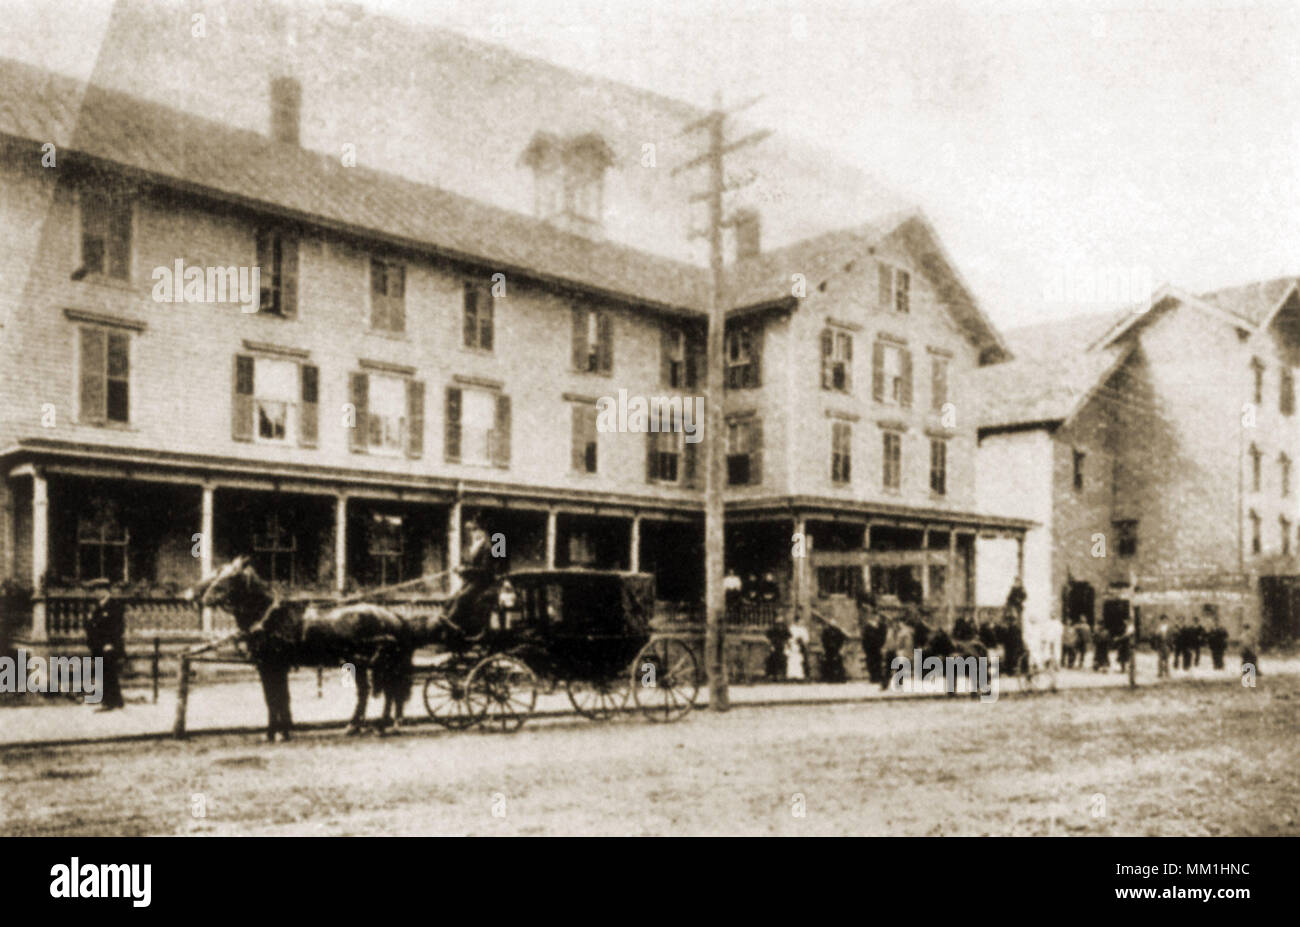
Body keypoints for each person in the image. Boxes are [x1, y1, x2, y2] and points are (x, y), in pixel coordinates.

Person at [444, 517, 496, 635]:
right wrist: (460, 568)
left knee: (462, 598)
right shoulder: (475, 547)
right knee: (451, 599)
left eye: (475, 530)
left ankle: (455, 627)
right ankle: (445, 622)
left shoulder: (488, 548)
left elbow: (485, 570)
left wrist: (465, 570)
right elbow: (470, 565)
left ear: (483, 531)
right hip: (471, 581)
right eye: (471, 531)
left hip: (482, 583)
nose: (473, 533)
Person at [84, 579, 126, 711]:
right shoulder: (98, 607)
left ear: (104, 590)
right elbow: (90, 626)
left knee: (108, 673)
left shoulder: (114, 605)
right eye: (94, 591)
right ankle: (116, 700)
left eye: (97, 590)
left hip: (109, 646)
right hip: (98, 646)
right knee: (104, 673)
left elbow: (118, 627)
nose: (95, 593)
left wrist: (110, 643)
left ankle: (109, 702)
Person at [818, 615, 847, 683]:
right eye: (831, 622)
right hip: (828, 649)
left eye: (834, 622)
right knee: (829, 664)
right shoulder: (826, 631)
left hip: (837, 649)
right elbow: (823, 640)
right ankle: (830, 678)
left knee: (838, 663)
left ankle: (839, 678)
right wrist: (824, 648)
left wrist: (841, 648)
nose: (833, 624)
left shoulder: (838, 631)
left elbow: (842, 639)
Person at [786, 611, 810, 681]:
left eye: (801, 621)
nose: (801, 623)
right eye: (799, 621)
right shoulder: (792, 628)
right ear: (796, 621)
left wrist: (803, 642)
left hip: (801, 647)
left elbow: (806, 638)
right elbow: (789, 638)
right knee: (792, 660)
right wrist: (793, 641)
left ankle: (800, 675)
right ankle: (791, 675)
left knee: (800, 660)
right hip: (793, 646)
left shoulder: (803, 629)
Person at [1156, 614, 1171, 678]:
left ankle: (1167, 673)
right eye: (1163, 620)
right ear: (1161, 620)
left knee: (1167, 660)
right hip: (1160, 644)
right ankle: (1160, 673)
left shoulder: (1169, 627)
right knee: (1160, 659)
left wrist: (1170, 644)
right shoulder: (1159, 627)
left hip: (1167, 644)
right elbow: (1156, 635)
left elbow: (1171, 636)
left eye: (1166, 620)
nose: (1165, 621)